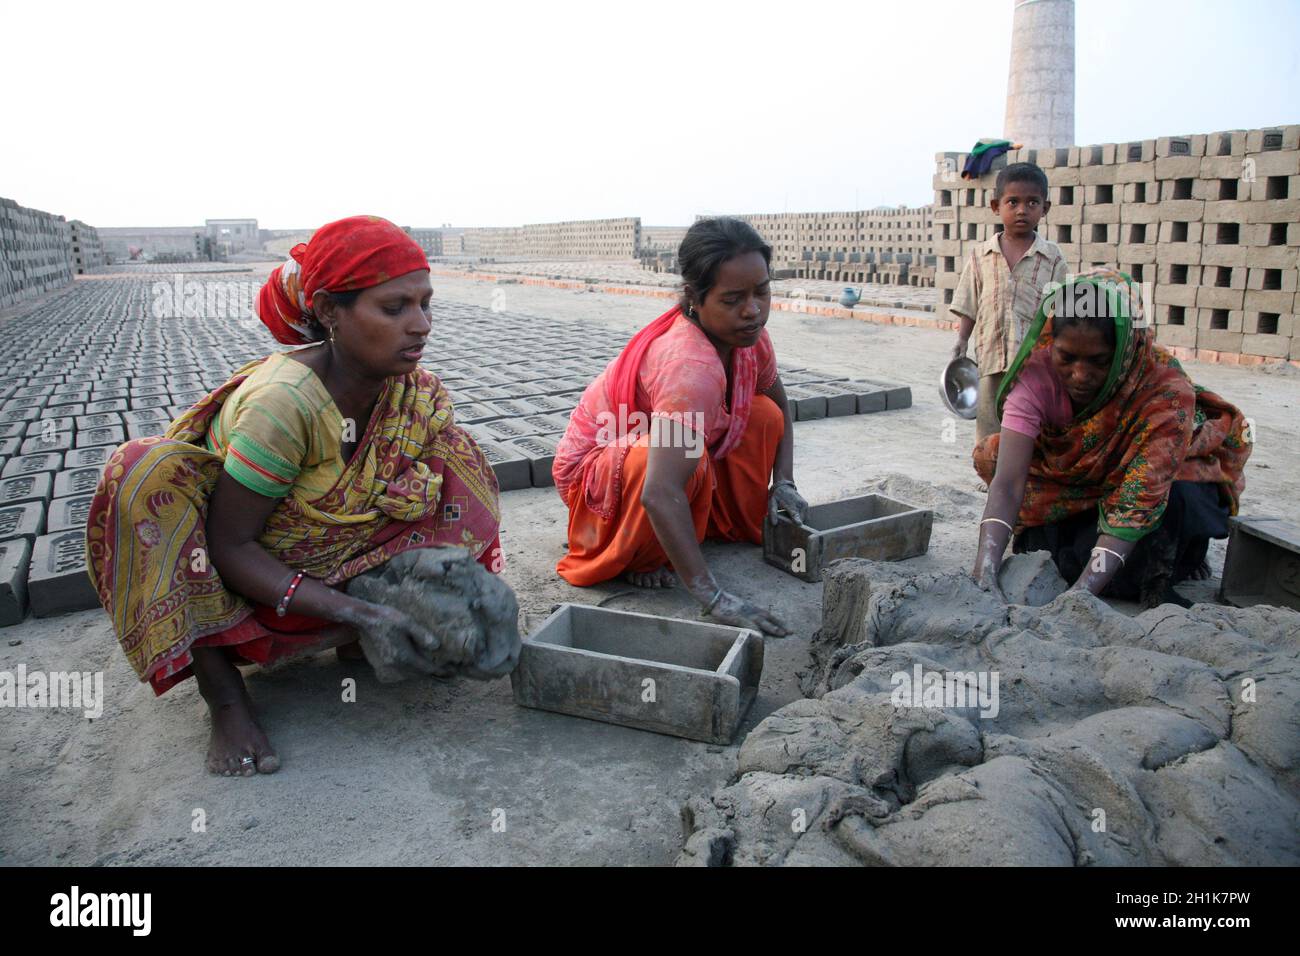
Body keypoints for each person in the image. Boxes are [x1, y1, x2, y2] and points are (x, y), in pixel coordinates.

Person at [86, 216, 503, 777]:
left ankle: (362, 633)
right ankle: (228, 701)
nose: (420, 325)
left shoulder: (410, 389)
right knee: (145, 476)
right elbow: (230, 545)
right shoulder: (285, 405)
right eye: (394, 307)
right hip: (250, 575)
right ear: (330, 311)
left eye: (426, 304)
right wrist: (357, 608)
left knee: (454, 455)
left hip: (332, 554)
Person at [551, 217, 806, 637]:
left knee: (761, 415)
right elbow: (659, 490)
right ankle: (636, 552)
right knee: (687, 456)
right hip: (599, 478)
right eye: (732, 299)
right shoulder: (690, 366)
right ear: (695, 297)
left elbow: (781, 410)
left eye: (761, 291)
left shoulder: (750, 336)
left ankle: (720, 527)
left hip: (663, 453)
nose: (753, 309)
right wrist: (713, 597)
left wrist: (786, 483)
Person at [971, 269, 1252, 609]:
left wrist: (1081, 595)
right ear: (1051, 343)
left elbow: (1136, 502)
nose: (1080, 375)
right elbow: (1008, 484)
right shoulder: (1035, 378)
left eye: (1098, 362)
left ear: (1123, 350)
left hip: (1153, 487)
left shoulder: (1164, 392)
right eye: (1067, 358)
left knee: (1171, 508)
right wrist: (984, 572)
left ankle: (1182, 558)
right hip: (1080, 488)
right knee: (1002, 466)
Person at [950, 161, 1070, 443]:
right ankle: (989, 473)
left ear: (1045, 208)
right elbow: (970, 302)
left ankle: (1026, 472)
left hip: (1035, 360)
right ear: (996, 206)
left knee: (1029, 417)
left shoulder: (1052, 258)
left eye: (1032, 203)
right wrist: (961, 340)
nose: (1021, 210)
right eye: (1013, 202)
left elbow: (1062, 311)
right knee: (989, 417)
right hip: (990, 355)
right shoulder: (981, 255)